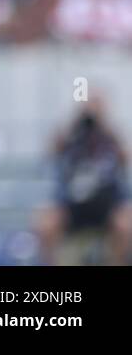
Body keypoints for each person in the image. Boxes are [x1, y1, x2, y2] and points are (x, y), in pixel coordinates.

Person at [36, 95, 131, 266]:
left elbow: (125, 158)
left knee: (125, 223)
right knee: (46, 223)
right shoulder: (72, 136)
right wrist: (76, 123)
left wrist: (104, 126)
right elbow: (52, 151)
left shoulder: (109, 137)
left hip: (107, 204)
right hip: (73, 204)